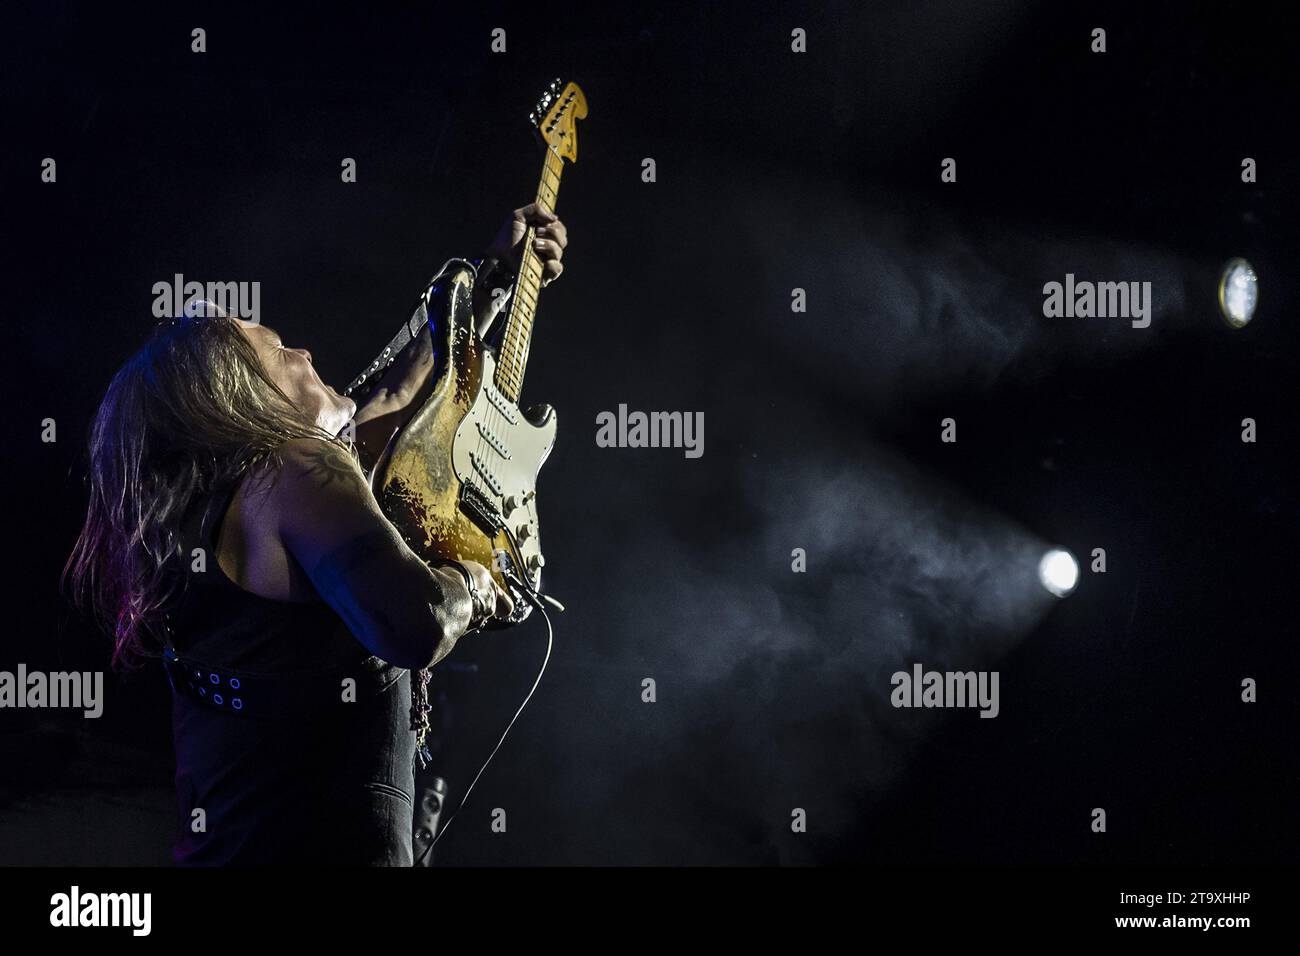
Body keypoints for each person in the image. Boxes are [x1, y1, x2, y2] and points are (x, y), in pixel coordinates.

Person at [64, 203, 568, 864]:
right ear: (236, 392)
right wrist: (476, 584)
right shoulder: (295, 471)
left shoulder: (239, 509)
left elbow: (391, 404)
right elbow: (415, 623)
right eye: (276, 346)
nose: (303, 351)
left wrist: (494, 282)